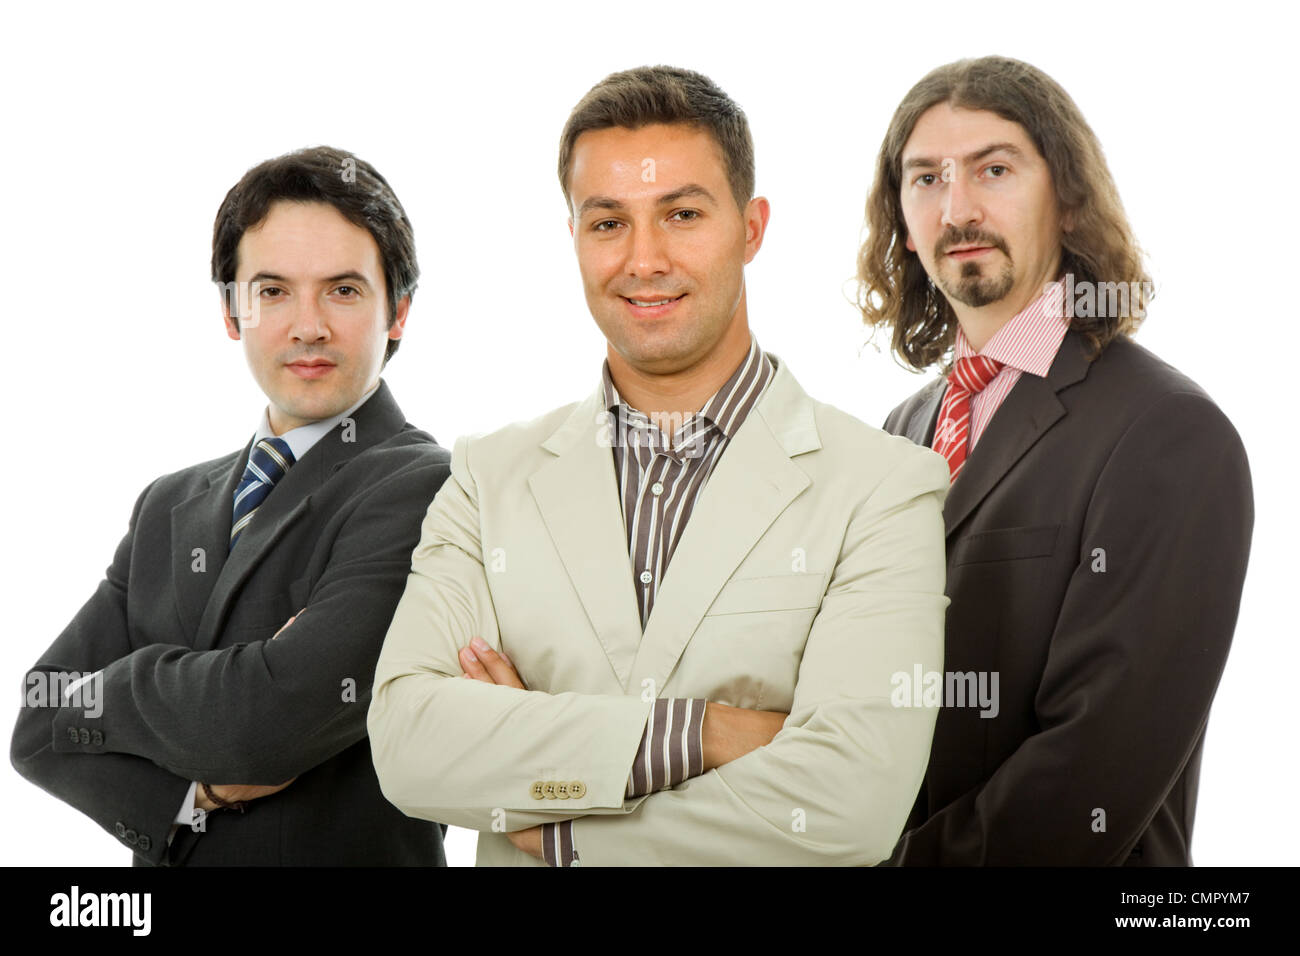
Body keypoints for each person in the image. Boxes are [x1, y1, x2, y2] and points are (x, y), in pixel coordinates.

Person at [368, 65, 949, 866]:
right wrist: (705, 732)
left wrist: (560, 825)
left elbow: (852, 803)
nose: (644, 259)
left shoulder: (883, 487)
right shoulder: (485, 478)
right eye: (608, 223)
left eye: (681, 214)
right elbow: (407, 746)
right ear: (572, 235)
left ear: (751, 228)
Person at [857, 56, 1253, 865]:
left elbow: (1089, 778)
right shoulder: (899, 434)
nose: (957, 207)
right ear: (901, 221)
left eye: (993, 169)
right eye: (926, 178)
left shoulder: (1168, 434)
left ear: (1068, 202)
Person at [11, 146, 451, 865]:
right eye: (272, 291)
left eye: (342, 290)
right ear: (230, 311)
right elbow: (37, 722)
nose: (307, 326)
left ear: (397, 311)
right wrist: (195, 797)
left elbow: (264, 724)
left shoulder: (424, 487)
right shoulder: (167, 505)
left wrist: (120, 685)